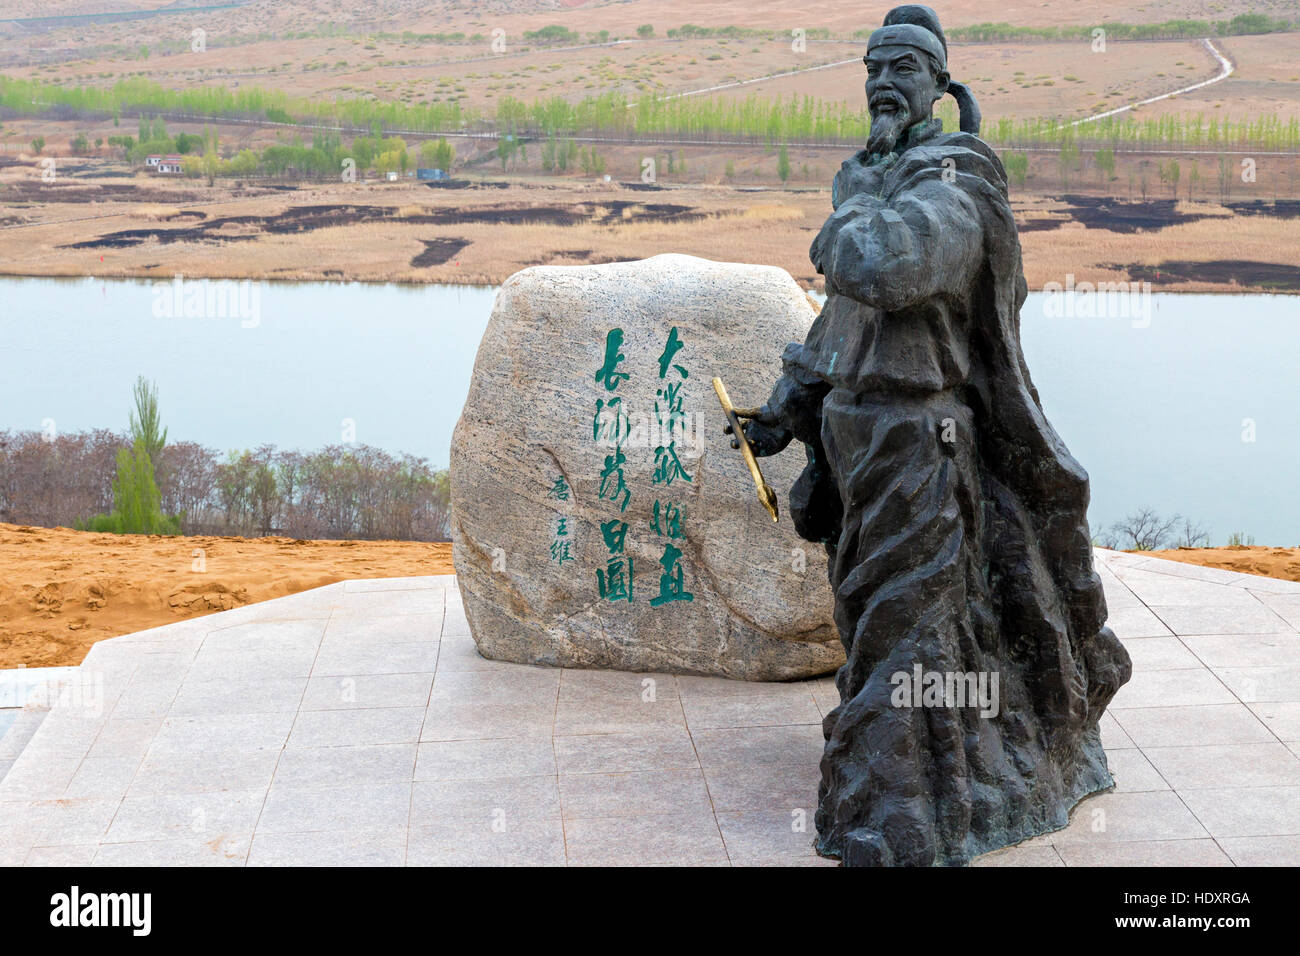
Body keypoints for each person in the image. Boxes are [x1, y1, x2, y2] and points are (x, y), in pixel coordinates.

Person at [728, 5, 1131, 866]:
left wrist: (842, 218)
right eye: (874, 66)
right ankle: (921, 775)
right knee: (869, 616)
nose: (883, 82)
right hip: (855, 444)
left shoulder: (957, 178)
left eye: (905, 68)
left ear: (941, 89)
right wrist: (783, 410)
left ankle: (899, 807)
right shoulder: (874, 180)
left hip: (922, 442)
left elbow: (892, 266)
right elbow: (840, 321)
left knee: (907, 626)